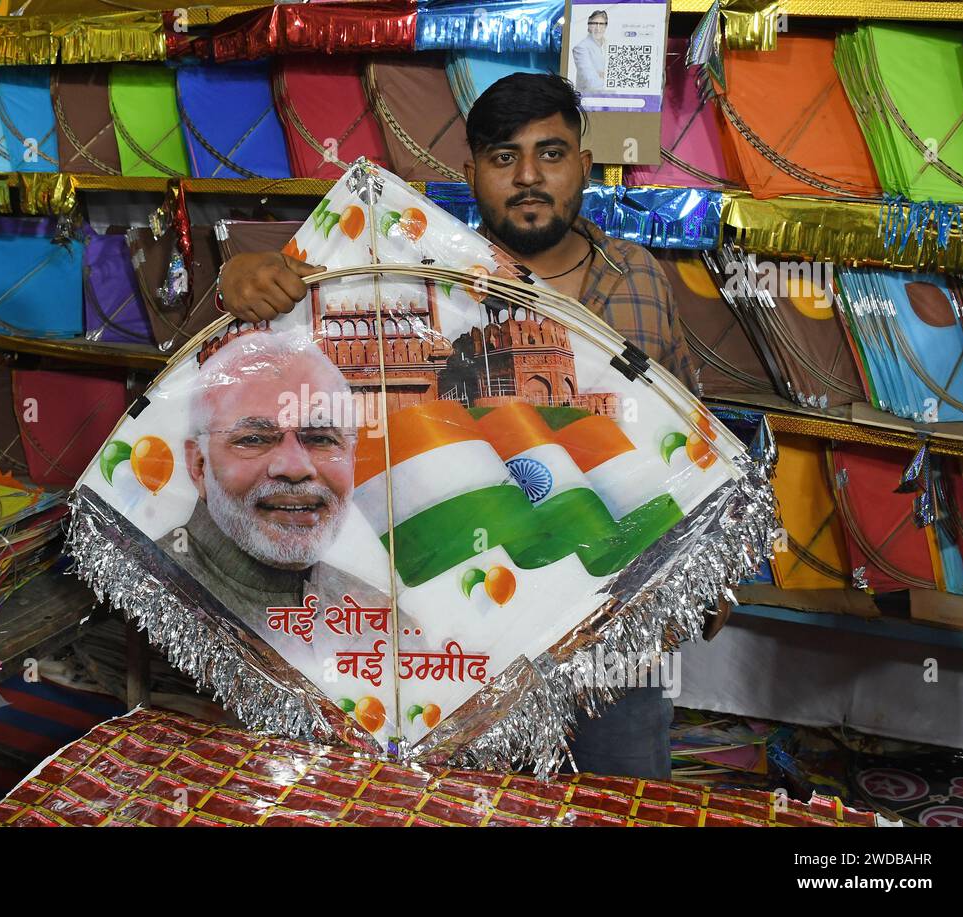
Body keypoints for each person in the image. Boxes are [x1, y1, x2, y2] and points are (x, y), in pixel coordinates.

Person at [214, 72, 729, 779]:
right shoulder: (417, 282)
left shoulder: (638, 277)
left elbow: (693, 434)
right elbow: (261, 358)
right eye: (502, 157)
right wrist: (237, 281)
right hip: (474, 636)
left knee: (623, 803)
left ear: (584, 162)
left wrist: (715, 577)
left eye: (551, 153)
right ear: (470, 173)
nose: (528, 176)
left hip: (617, 633)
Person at [158, 330, 392, 668]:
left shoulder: (382, 622)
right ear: (198, 465)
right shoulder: (145, 589)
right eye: (254, 438)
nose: (295, 468)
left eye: (322, 438)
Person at [571, 10, 610, 92]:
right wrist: (607, 77)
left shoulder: (608, 45)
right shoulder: (581, 48)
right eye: (594, 24)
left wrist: (602, 75)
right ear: (589, 25)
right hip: (588, 99)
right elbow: (592, 83)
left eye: (601, 24)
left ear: (606, 26)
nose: (598, 28)